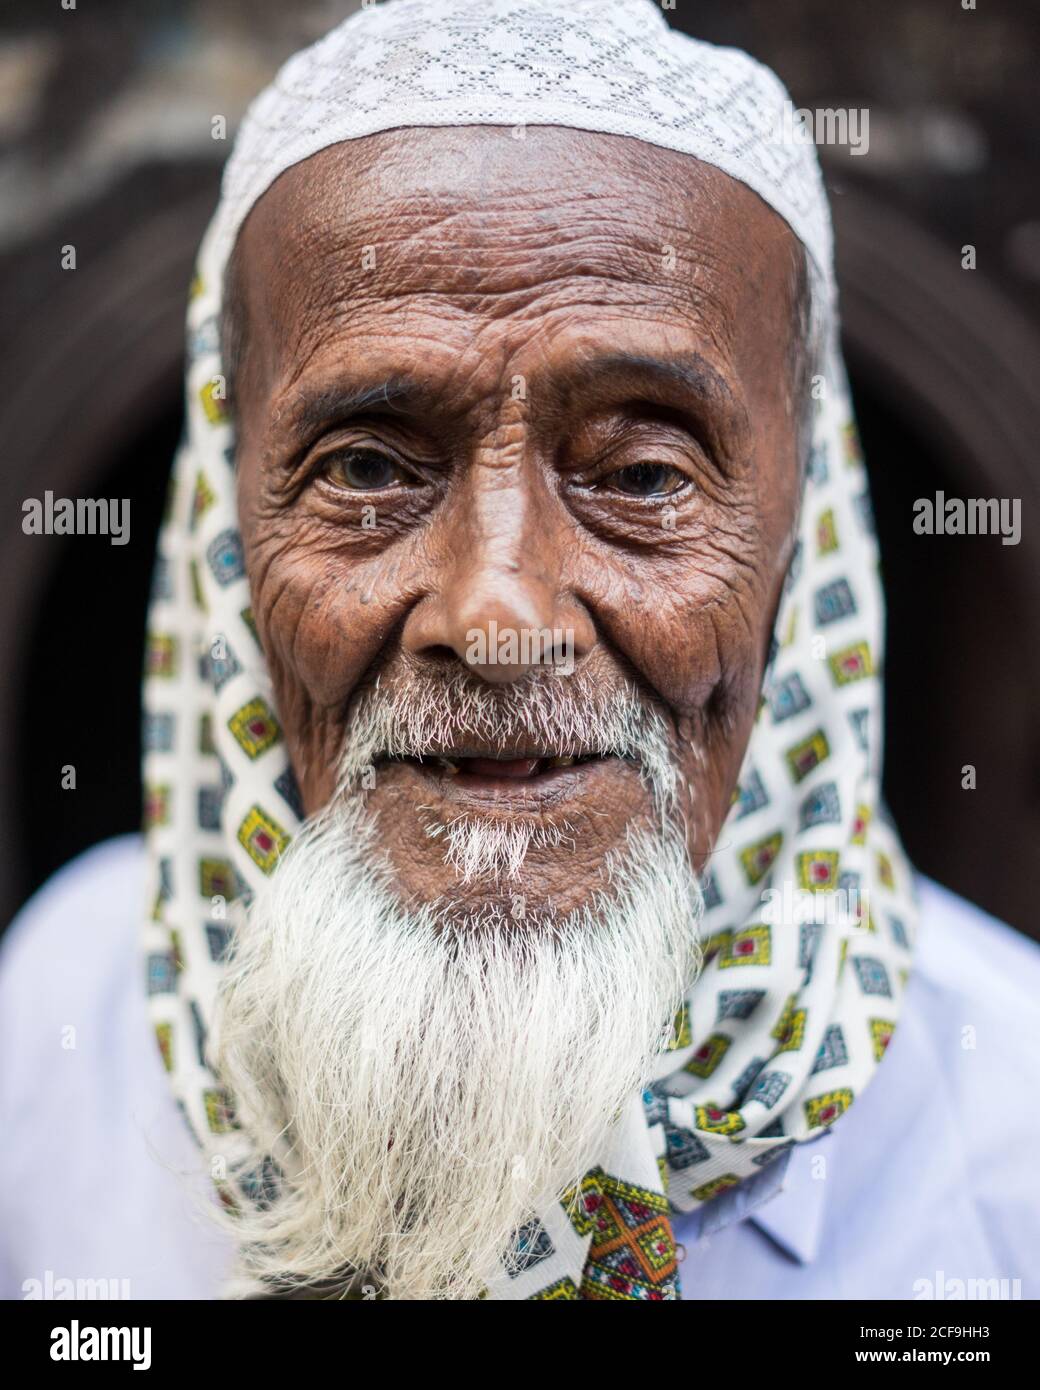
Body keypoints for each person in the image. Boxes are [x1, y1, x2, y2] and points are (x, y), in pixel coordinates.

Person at [2, 0, 1038, 1302]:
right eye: (370, 467)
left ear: (803, 533)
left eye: (643, 474)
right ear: (228, 524)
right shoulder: (60, 1024)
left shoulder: (1013, 1135)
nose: (498, 619)